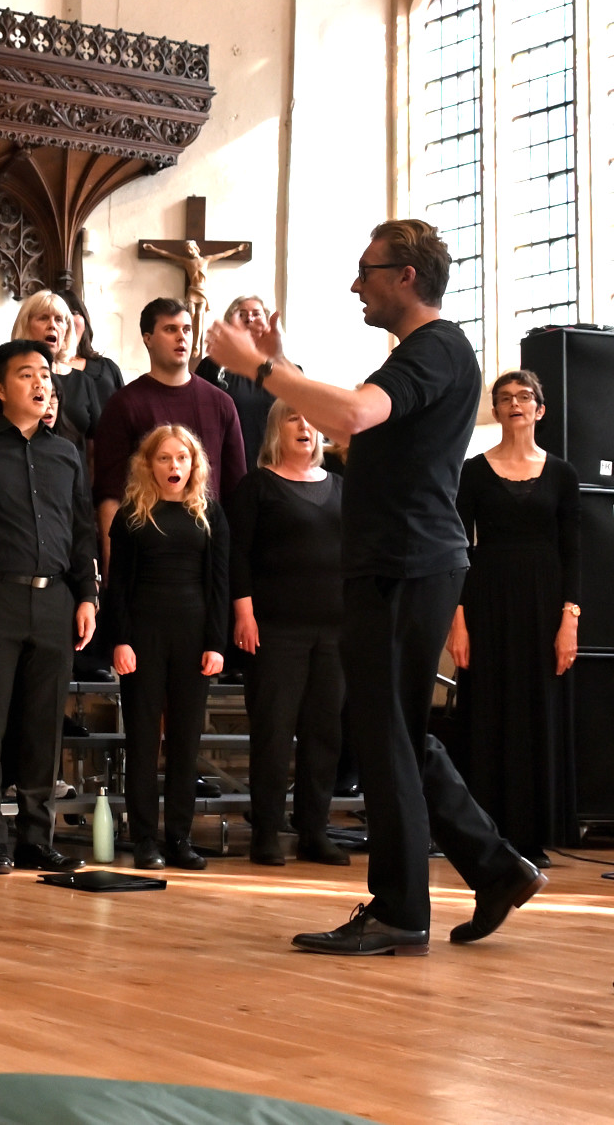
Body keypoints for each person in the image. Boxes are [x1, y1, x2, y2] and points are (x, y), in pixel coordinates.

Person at [207, 218, 542, 956]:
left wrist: (259, 371)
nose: (356, 283)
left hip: (407, 563)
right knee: (393, 732)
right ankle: (496, 866)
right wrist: (281, 359)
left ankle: (400, 908)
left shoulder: (435, 347)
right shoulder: (420, 356)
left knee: (383, 733)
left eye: (367, 270)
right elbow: (356, 426)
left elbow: (355, 413)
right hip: (396, 562)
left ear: (407, 277)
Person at [0, 339, 97, 875]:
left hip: (56, 597)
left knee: (44, 725)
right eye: (27, 375)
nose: (41, 384)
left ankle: (36, 836)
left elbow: (81, 533)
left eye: (46, 376)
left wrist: (88, 597)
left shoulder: (67, 453)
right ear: (1, 389)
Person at [446, 370, 580, 869]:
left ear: (540, 410)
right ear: (497, 412)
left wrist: (570, 618)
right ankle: (486, 834)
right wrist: (457, 620)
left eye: (525, 397)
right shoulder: (473, 472)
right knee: (488, 708)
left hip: (546, 603)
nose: (515, 403)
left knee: (539, 707)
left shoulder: (563, 474)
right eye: (505, 398)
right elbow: (458, 547)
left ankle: (533, 834)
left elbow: (574, 551)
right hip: (487, 598)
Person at [229, 400, 348, 867]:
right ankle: (265, 832)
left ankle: (314, 830)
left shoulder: (340, 487)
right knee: (274, 732)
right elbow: (237, 555)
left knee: (324, 734)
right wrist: (244, 613)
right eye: (294, 418)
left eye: (312, 419)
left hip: (334, 629)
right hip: (275, 629)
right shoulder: (257, 486)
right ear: (277, 429)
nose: (305, 427)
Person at [105, 425, 229, 872]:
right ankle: (144, 838)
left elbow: (219, 584)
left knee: (185, 741)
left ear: (194, 464)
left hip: (194, 637)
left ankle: (179, 837)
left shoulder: (209, 513)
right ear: (148, 464)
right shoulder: (133, 515)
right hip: (142, 636)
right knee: (142, 740)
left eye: (182, 458)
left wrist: (217, 643)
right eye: (164, 458)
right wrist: (119, 638)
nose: (174, 466)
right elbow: (117, 585)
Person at [94, 297, 247, 562]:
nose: (181, 337)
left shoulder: (221, 403)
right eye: (170, 329)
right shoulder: (124, 404)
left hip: (208, 551)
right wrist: (111, 564)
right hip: (146, 553)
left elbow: (237, 494)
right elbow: (110, 494)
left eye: (187, 329)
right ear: (148, 338)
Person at [0, 291, 104, 439]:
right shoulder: (4, 377)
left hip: (71, 461)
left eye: (59, 320)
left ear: (67, 330)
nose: (52, 325)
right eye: (43, 318)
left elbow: (94, 445)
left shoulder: (83, 382)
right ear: (26, 325)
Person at [196, 295, 276, 470]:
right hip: (226, 464)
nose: (250, 318)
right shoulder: (212, 366)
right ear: (230, 324)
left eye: (257, 314)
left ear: (268, 323)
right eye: (242, 314)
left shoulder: (283, 369)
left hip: (274, 465)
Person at [57, 287, 125, 411]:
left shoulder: (108, 367)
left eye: (73, 312)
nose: (68, 320)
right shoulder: (43, 372)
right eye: (59, 316)